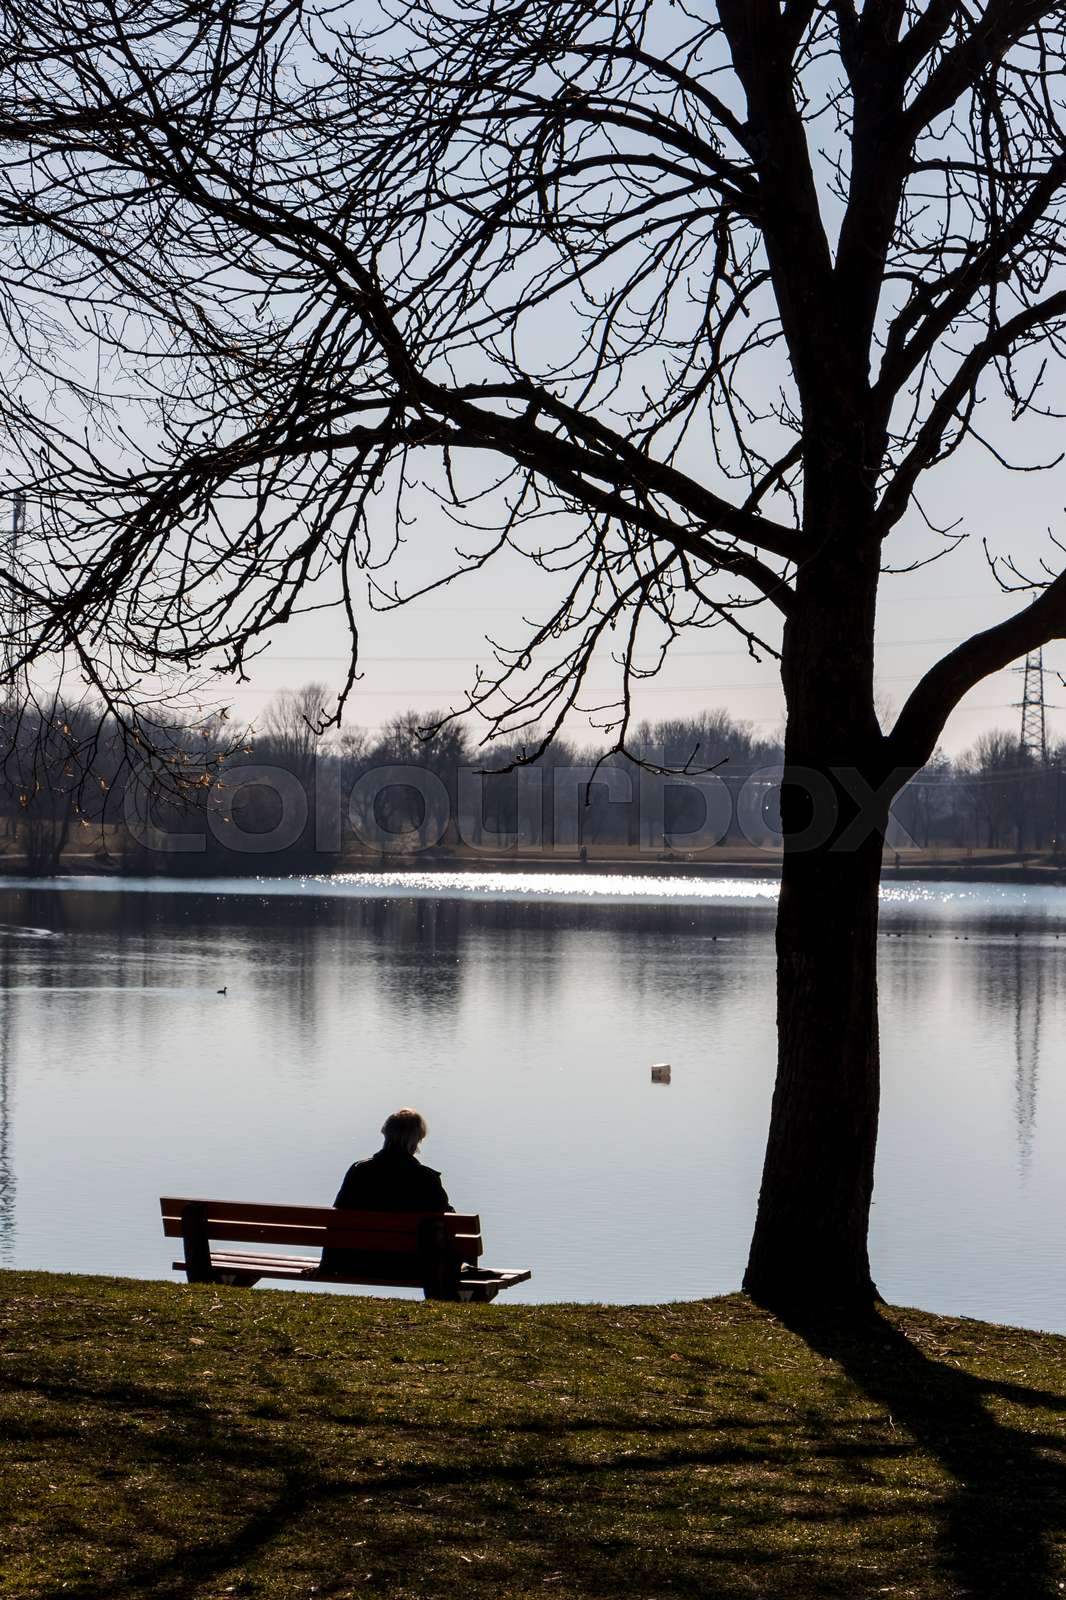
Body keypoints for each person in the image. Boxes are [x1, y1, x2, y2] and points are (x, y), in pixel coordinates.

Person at [319, 1108, 452, 1277]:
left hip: (357, 1260)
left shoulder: (359, 1171)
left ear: (385, 1133)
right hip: (410, 1264)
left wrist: (326, 1265)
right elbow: (447, 1219)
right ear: (417, 1139)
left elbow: (337, 1219)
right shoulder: (426, 1178)